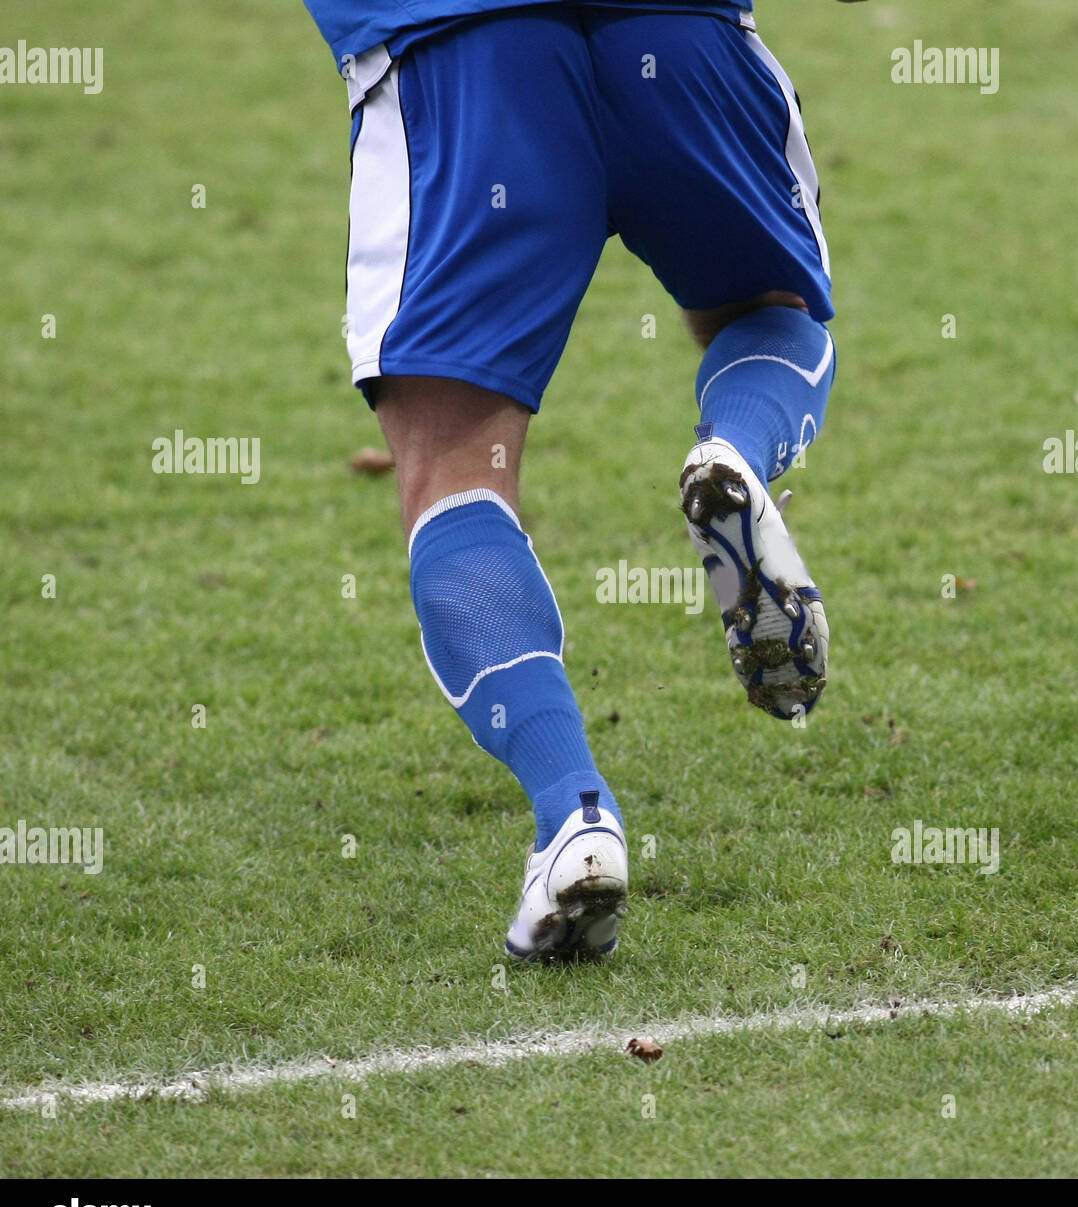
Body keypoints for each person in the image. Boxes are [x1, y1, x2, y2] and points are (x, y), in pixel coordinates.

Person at [305, 0, 840, 961]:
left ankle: (575, 817)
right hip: (680, 30)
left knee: (453, 468)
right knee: (772, 310)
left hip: (461, 52)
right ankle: (735, 456)